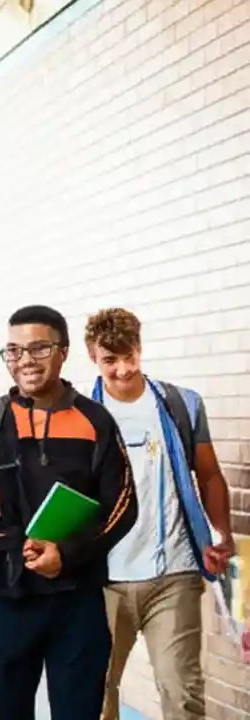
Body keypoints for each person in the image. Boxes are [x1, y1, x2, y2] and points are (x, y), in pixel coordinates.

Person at [0, 305, 138, 720]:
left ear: (64, 351)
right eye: (14, 351)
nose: (25, 360)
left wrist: (66, 556)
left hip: (77, 603)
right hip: (7, 600)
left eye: (38, 348)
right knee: (4, 710)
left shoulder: (94, 420)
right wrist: (18, 545)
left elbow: (122, 505)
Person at [84, 308, 234, 720]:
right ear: (92, 358)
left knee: (182, 694)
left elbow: (209, 475)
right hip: (103, 580)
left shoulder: (180, 404)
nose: (122, 370)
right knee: (93, 694)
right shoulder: (80, 415)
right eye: (109, 361)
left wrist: (221, 534)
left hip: (174, 573)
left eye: (129, 356)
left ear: (140, 347)